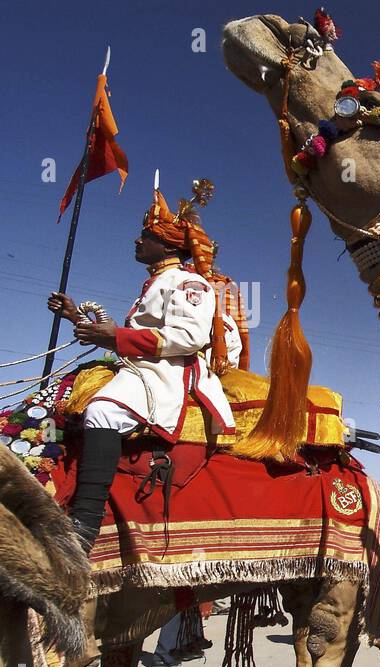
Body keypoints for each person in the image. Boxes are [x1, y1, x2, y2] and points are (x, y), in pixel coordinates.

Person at [47, 180, 236, 552]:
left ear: (166, 245)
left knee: (103, 410)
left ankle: (83, 527)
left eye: (144, 236)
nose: (137, 242)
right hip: (142, 368)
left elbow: (187, 337)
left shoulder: (189, 282)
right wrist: (75, 318)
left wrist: (114, 337)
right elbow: (124, 336)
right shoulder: (156, 283)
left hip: (169, 373)